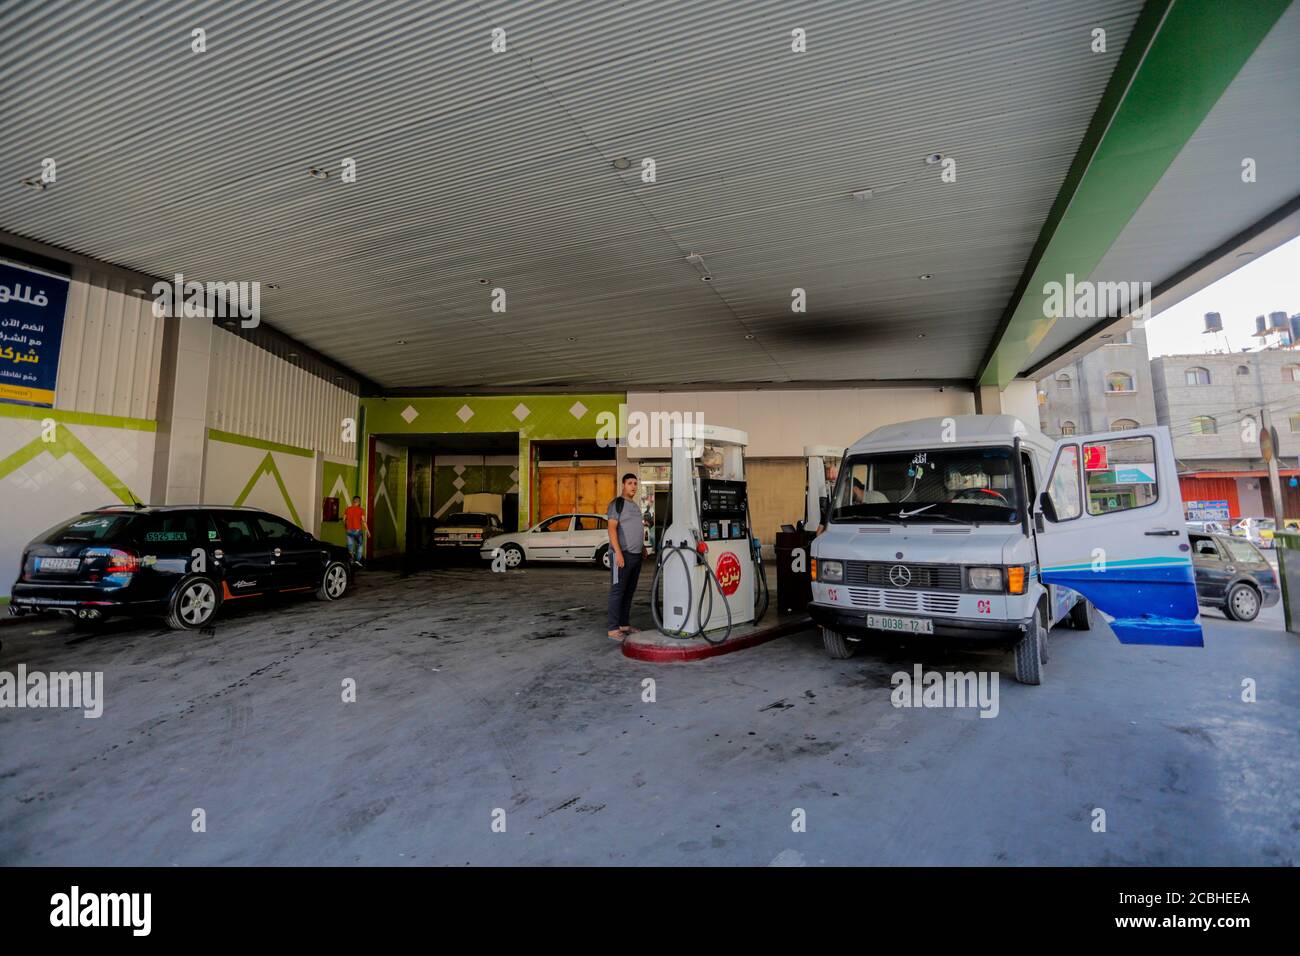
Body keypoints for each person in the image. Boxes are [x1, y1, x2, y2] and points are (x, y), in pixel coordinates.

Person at [606, 473, 648, 640]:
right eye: (630, 483)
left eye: (635, 483)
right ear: (623, 485)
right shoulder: (617, 504)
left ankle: (623, 624)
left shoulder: (635, 506)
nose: (633, 486)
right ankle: (613, 629)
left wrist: (643, 547)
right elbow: (611, 529)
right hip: (622, 555)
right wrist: (617, 553)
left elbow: (635, 528)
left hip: (636, 555)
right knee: (617, 591)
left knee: (629, 591)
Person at [344, 495, 368, 567]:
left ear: (353, 501)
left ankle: (351, 560)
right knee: (360, 545)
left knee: (350, 546)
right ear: (359, 502)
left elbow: (344, 520)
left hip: (349, 531)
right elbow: (363, 521)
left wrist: (346, 527)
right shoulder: (361, 510)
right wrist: (368, 531)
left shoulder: (347, 509)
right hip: (357, 531)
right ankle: (357, 560)